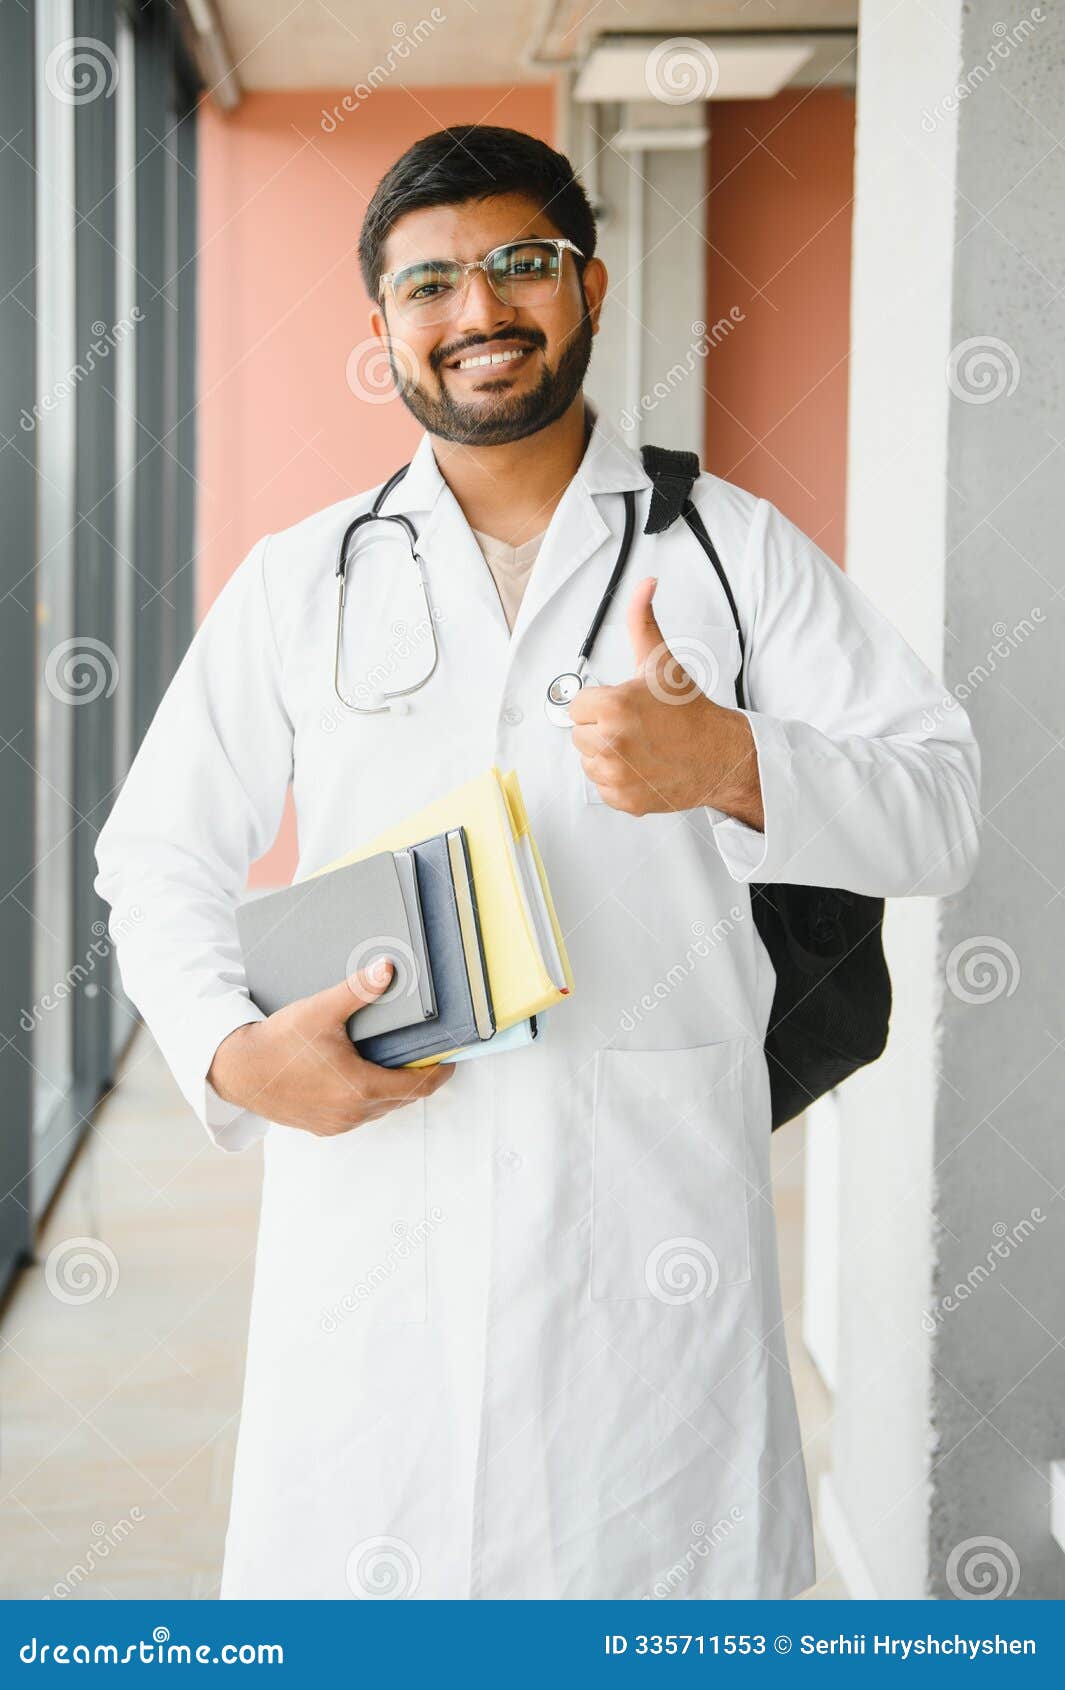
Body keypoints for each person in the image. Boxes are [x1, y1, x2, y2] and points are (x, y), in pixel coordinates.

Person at [94, 125, 981, 1600]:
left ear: (589, 285)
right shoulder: (302, 578)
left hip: (644, 1226)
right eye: (427, 282)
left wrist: (736, 764)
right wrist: (232, 1056)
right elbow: (157, 850)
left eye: (520, 263)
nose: (479, 310)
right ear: (381, 335)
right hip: (378, 1200)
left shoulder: (729, 554)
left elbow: (942, 803)